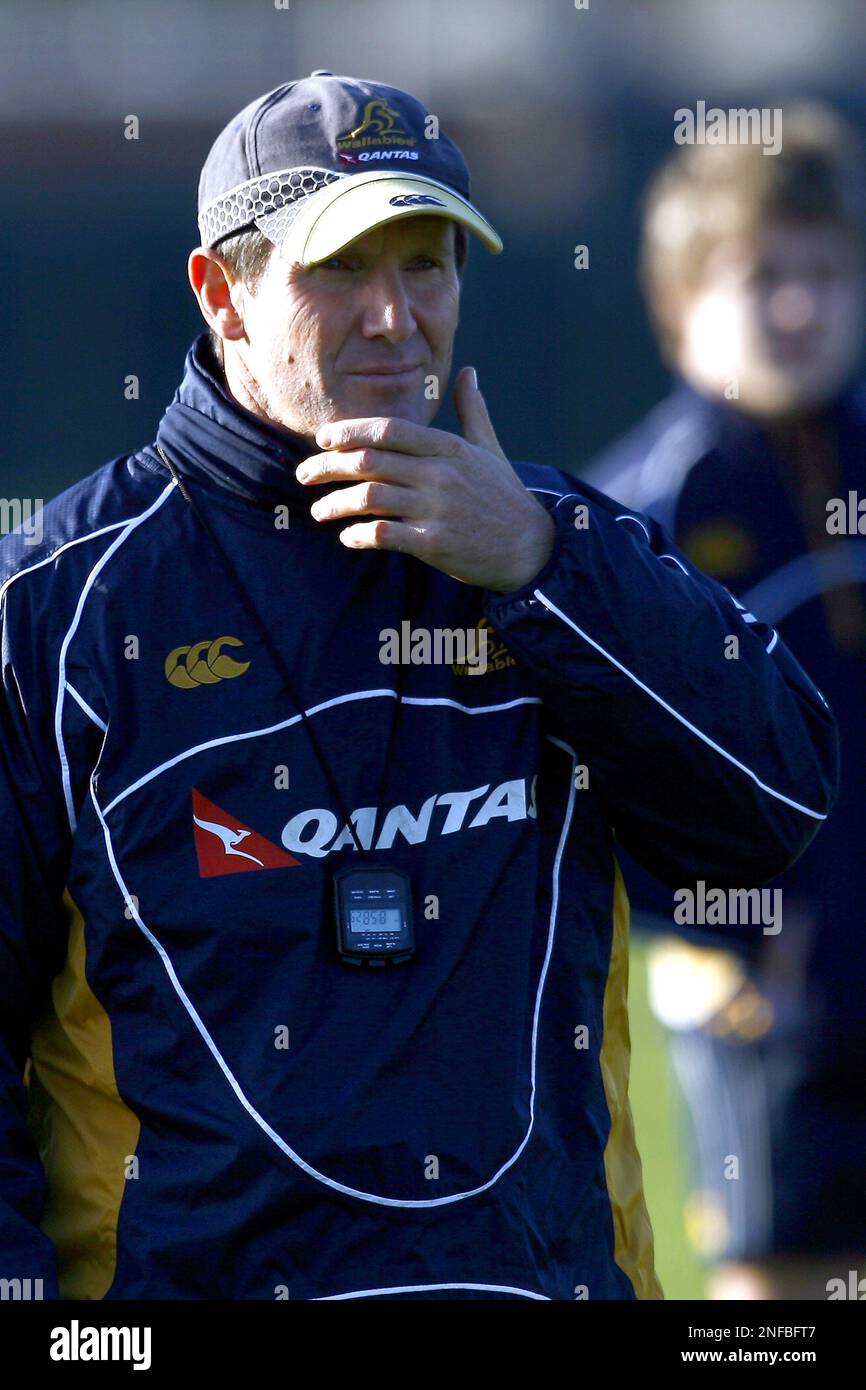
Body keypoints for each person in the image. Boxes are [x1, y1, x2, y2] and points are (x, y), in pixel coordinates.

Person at [0, 74, 837, 1303]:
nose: (395, 318)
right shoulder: (57, 610)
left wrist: (541, 571)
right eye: (339, 269)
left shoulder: (556, 545)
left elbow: (774, 815)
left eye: (428, 263)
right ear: (221, 294)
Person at [587, 103, 866, 1300]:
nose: (798, 307)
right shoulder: (630, 517)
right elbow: (595, 764)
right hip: (763, 999)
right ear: (679, 300)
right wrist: (699, 928)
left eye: (823, 273)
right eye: (762, 277)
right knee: (775, 1286)